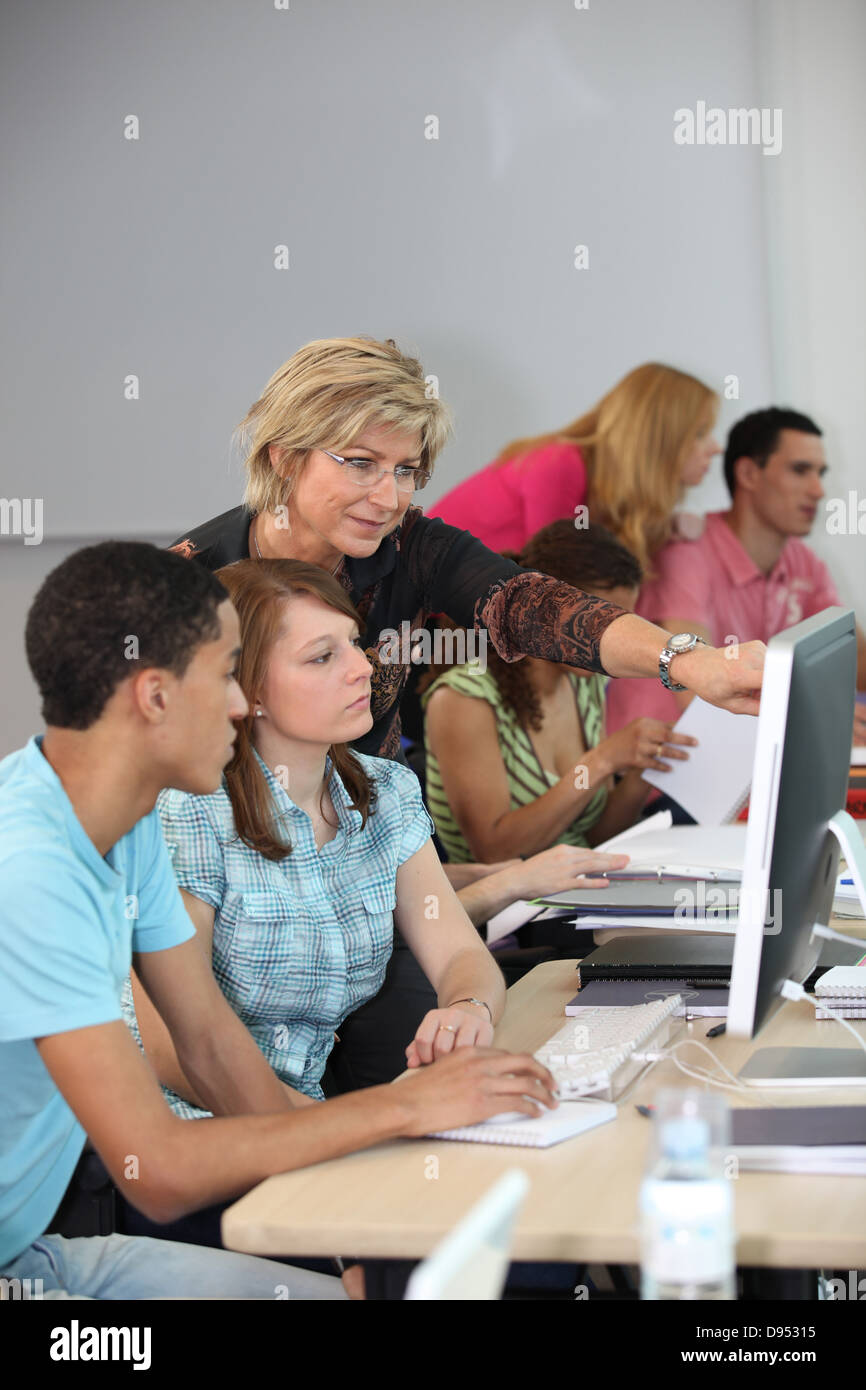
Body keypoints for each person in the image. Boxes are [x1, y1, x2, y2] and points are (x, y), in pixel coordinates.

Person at [0, 541, 556, 1301]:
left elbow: (213, 1051)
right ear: (156, 697)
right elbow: (160, 1174)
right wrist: (401, 1110)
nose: (239, 705)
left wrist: (351, 1218)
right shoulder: (31, 868)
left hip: (26, 1255)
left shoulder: (120, 825)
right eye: (227, 674)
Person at [168, 337, 765, 765]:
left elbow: (530, 606)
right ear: (284, 455)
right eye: (361, 464)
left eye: (406, 470)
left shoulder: (414, 547)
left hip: (378, 849)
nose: (388, 496)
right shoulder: (188, 583)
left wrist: (691, 662)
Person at [122, 556, 511, 1128]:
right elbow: (173, 1050)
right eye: (322, 657)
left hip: (301, 1120)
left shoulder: (385, 790)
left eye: (354, 643)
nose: (361, 668)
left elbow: (458, 952)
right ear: (244, 688)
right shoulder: (188, 810)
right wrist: (369, 1125)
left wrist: (466, 1007)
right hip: (178, 1127)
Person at [422, 522, 698, 863]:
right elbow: (494, 852)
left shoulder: (585, 680)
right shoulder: (462, 700)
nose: (610, 646)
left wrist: (645, 768)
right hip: (512, 907)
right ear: (551, 610)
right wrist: (601, 761)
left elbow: (596, 836)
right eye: (600, 627)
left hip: (579, 887)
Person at [606, 407, 866, 740]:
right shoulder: (687, 553)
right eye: (801, 470)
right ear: (747, 474)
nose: (818, 490)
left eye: (820, 472)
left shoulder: (803, 561)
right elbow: (698, 697)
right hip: (657, 776)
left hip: (740, 762)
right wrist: (819, 714)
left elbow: (857, 665)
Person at [426, 361, 720, 571]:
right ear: (658, 439)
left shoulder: (594, 482)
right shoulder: (559, 464)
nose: (716, 448)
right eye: (699, 434)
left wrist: (667, 527)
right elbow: (557, 586)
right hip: (436, 632)